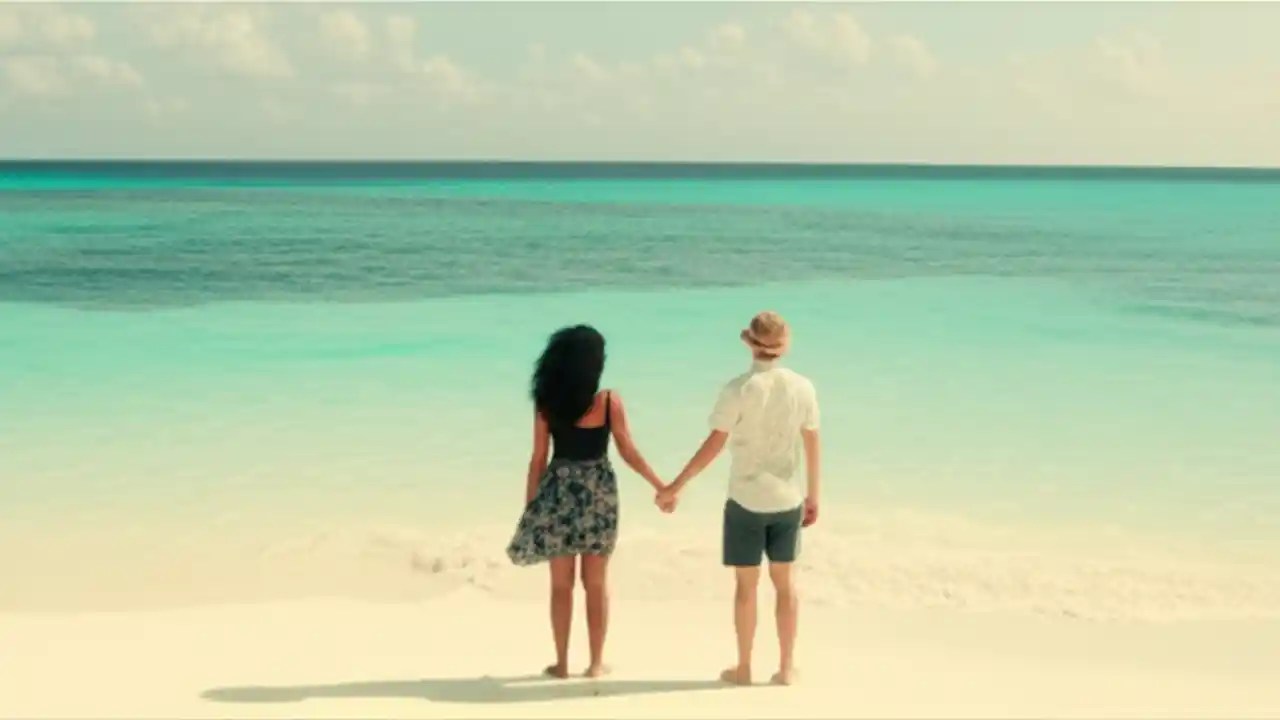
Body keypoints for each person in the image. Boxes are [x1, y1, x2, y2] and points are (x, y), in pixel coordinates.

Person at [658, 311, 821, 687]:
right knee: (786, 586)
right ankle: (786, 667)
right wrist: (814, 495)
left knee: (746, 588)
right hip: (787, 500)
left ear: (750, 344)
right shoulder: (803, 388)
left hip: (745, 500)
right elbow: (812, 442)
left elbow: (714, 444)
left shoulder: (737, 389)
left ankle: (744, 667)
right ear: (783, 346)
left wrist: (676, 486)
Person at [506, 324, 668, 680]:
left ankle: (562, 663)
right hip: (599, 494)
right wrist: (661, 485)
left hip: (557, 494)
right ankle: (595, 663)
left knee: (560, 584)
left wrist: (531, 508)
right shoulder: (609, 402)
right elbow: (628, 450)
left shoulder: (547, 402)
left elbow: (538, 458)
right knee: (595, 583)